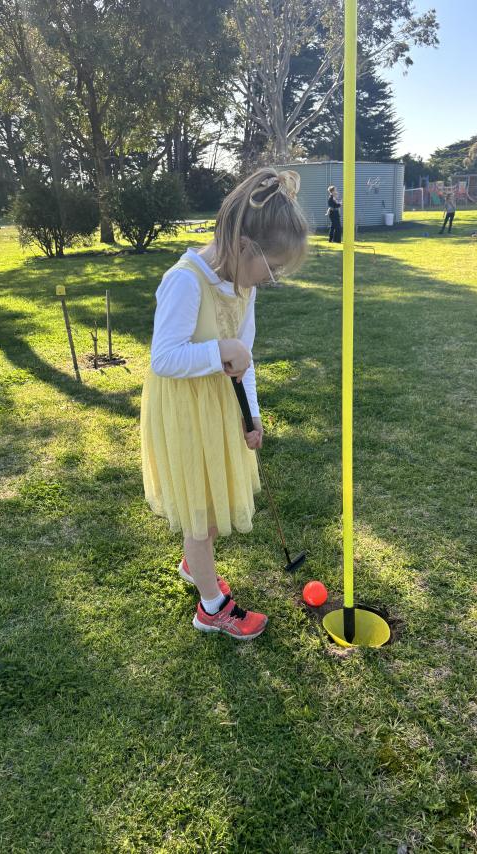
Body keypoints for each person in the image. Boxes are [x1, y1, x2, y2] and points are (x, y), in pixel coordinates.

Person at [140, 168, 309, 640]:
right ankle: (211, 607)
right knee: (201, 503)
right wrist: (220, 353)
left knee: (215, 494)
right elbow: (164, 358)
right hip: (185, 412)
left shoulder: (242, 286)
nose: (269, 279)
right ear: (242, 245)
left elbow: (245, 358)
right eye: (270, 268)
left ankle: (196, 564)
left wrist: (249, 413)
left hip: (219, 406)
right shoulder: (186, 281)